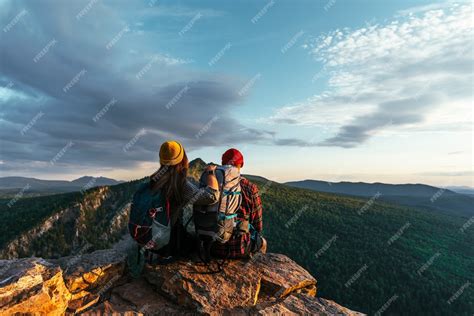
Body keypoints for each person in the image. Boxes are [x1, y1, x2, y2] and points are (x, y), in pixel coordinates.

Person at [129, 140, 219, 259]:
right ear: (182, 159)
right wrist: (211, 172)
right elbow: (212, 196)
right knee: (201, 244)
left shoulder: (153, 181)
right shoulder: (179, 185)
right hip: (170, 244)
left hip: (150, 237)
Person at [211, 148, 267, 258]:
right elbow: (258, 226)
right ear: (241, 165)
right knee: (263, 243)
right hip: (239, 247)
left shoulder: (212, 183)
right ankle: (256, 267)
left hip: (212, 245)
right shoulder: (250, 188)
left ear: (223, 164)